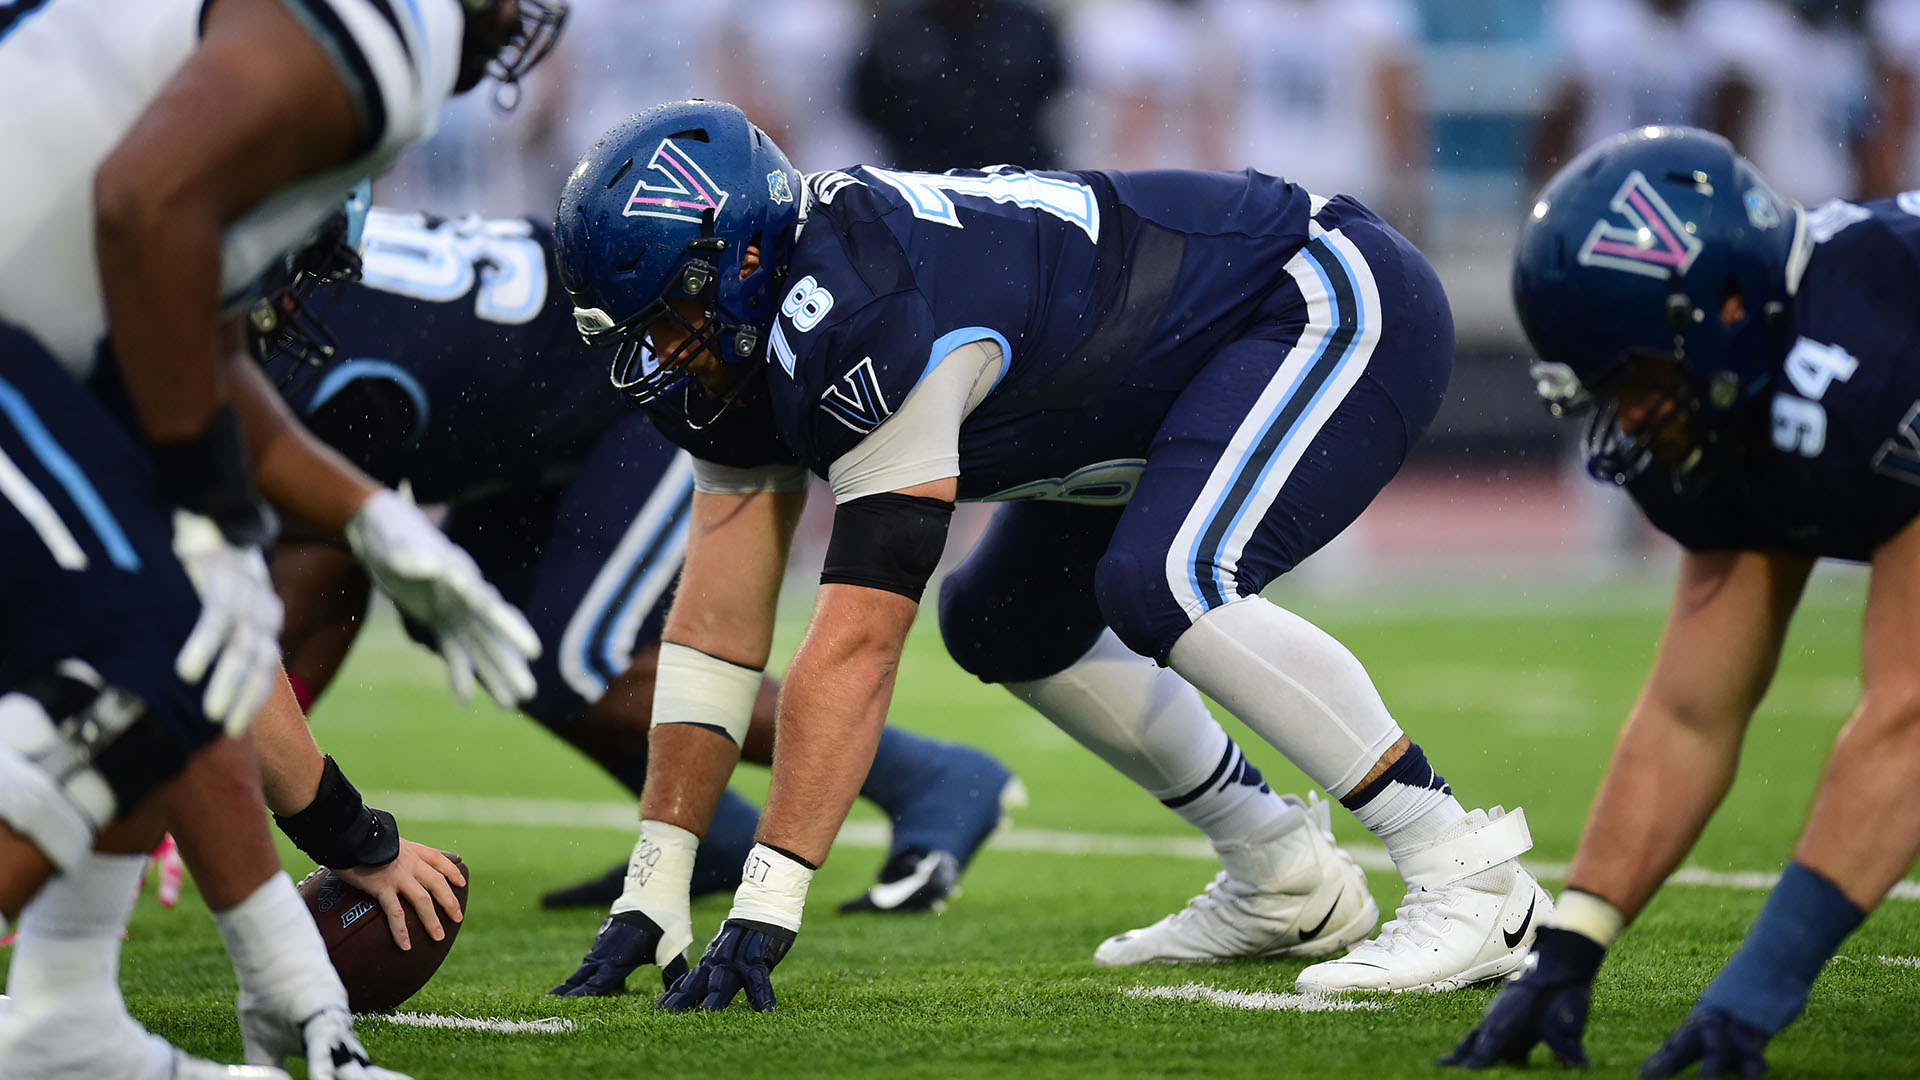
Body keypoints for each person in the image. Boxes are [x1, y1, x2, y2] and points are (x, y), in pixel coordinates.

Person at [548, 99, 1550, 1011]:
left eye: (673, 315)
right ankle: (1281, 871)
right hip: (1141, 378)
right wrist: (658, 874)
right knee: (1005, 621)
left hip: (1315, 292)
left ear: (747, 259)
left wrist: (767, 899)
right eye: (635, 329)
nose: (659, 354)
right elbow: (717, 624)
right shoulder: (750, 345)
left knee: (1167, 581)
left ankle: (1470, 873)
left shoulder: (860, 316)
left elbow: (855, 643)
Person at [0, 1, 562, 1076]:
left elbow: (197, 336)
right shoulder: (377, 40)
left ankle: (65, 1018)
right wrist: (211, 526)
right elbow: (142, 201)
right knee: (122, 654)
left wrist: (374, 517)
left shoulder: (156, 209)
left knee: (163, 645)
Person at [248, 202, 1019, 947]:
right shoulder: (305, 265)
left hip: (634, 388)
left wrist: (254, 760)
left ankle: (927, 776)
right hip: (524, 424)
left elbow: (321, 584)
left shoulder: (312, 334)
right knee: (481, 624)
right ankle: (712, 830)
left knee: (577, 663)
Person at [1444, 125, 1920, 1076]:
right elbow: (1690, 715)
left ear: (1730, 305)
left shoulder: (1883, 348)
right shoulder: (1748, 383)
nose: (1630, 420)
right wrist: (1569, 948)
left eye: (1639, 383)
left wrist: (1752, 997)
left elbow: (1908, 714)